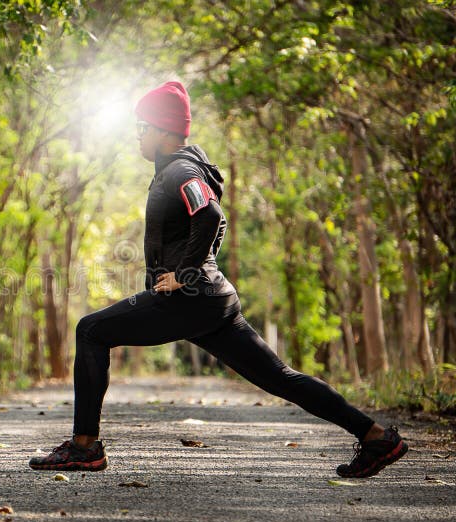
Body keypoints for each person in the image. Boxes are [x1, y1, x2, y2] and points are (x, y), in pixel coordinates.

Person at [28, 81, 408, 478]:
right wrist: (199, 269)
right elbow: (217, 219)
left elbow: (208, 215)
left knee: (90, 330)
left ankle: (84, 448)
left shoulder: (180, 170)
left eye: (143, 128)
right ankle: (376, 437)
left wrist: (187, 274)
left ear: (163, 130)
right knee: (281, 378)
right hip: (210, 301)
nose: (138, 137)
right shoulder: (181, 170)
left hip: (189, 300)